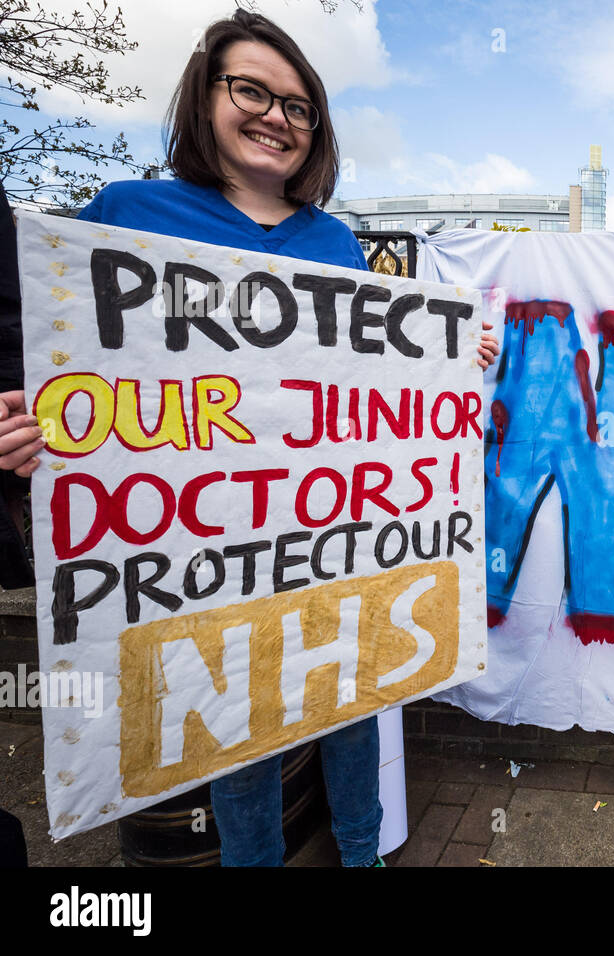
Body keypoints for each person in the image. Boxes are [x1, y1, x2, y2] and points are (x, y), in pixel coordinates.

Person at [1, 9, 499, 866]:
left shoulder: (333, 240)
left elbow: (364, 381)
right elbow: (58, 357)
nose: (277, 117)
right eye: (253, 92)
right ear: (206, 95)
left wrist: (453, 355)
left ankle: (362, 855)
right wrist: (20, 425)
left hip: (329, 537)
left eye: (299, 106)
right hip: (208, 545)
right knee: (238, 733)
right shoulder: (126, 214)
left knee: (351, 699)